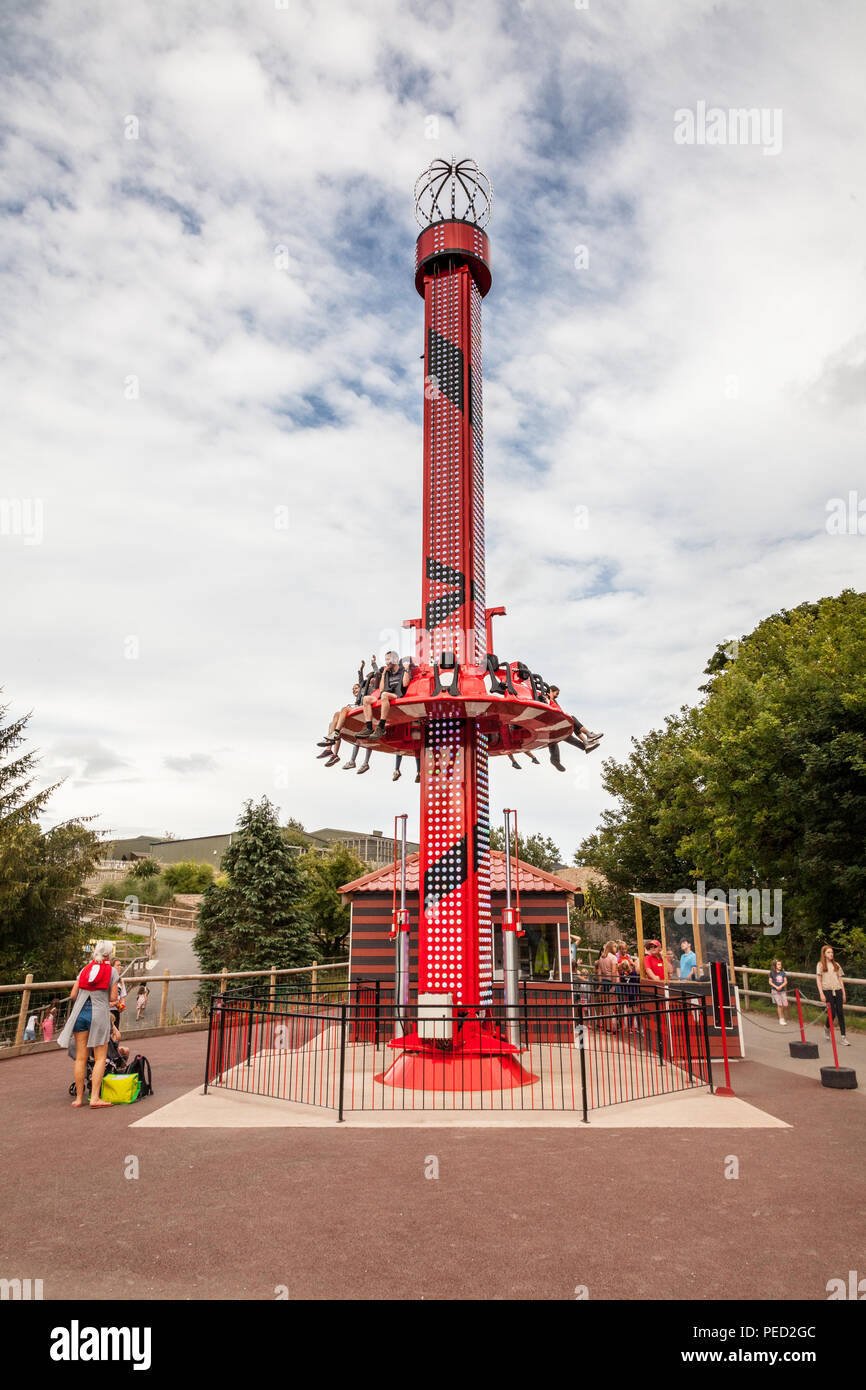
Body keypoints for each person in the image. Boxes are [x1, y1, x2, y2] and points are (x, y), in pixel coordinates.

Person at [57, 941, 119, 1108]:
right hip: (98, 1015)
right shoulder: (112, 971)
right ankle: (94, 1098)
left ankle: (78, 1098)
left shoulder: (85, 970)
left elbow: (73, 994)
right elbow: (113, 998)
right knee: (100, 1058)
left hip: (80, 1014)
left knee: (81, 1058)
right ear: (109, 955)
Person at [318, 656, 379, 767]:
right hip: (359, 707)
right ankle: (330, 750)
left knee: (344, 709)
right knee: (334, 719)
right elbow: (361, 681)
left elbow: (377, 674)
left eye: (371, 677)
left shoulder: (374, 687)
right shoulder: (363, 687)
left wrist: (373, 665)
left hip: (364, 709)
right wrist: (361, 670)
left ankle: (335, 733)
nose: (369, 678)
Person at [357, 652, 412, 742]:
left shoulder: (402, 669)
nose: (386, 662)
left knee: (384, 695)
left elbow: (405, 684)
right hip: (385, 695)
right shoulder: (387, 672)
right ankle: (369, 727)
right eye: (386, 660)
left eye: (388, 659)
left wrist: (406, 670)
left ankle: (381, 727)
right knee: (366, 699)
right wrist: (383, 674)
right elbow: (382, 689)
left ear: (395, 660)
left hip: (397, 695)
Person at [546, 686, 603, 771]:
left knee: (570, 731)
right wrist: (549, 696)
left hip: (558, 726)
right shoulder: (545, 698)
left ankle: (586, 744)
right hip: (551, 724)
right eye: (556, 693)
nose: (557, 696)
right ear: (551, 691)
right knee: (571, 720)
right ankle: (588, 735)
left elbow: (559, 710)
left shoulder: (554, 701)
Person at [816, 945, 850, 1045]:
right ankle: (827, 1028)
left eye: (832, 952)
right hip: (827, 991)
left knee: (840, 1013)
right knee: (832, 1013)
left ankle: (843, 1037)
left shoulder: (836, 965)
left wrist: (843, 993)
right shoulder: (820, 965)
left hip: (838, 990)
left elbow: (840, 980)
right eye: (828, 952)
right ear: (824, 954)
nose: (831, 954)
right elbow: (818, 980)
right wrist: (821, 993)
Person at [769, 958, 789, 1026]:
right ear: (775, 965)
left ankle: (782, 1016)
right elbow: (770, 982)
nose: (780, 965)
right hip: (775, 991)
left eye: (780, 964)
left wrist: (781, 986)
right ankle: (781, 1019)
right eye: (778, 964)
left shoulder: (783, 973)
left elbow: (786, 981)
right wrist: (776, 987)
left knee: (785, 1004)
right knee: (779, 1005)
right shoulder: (772, 973)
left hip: (782, 991)